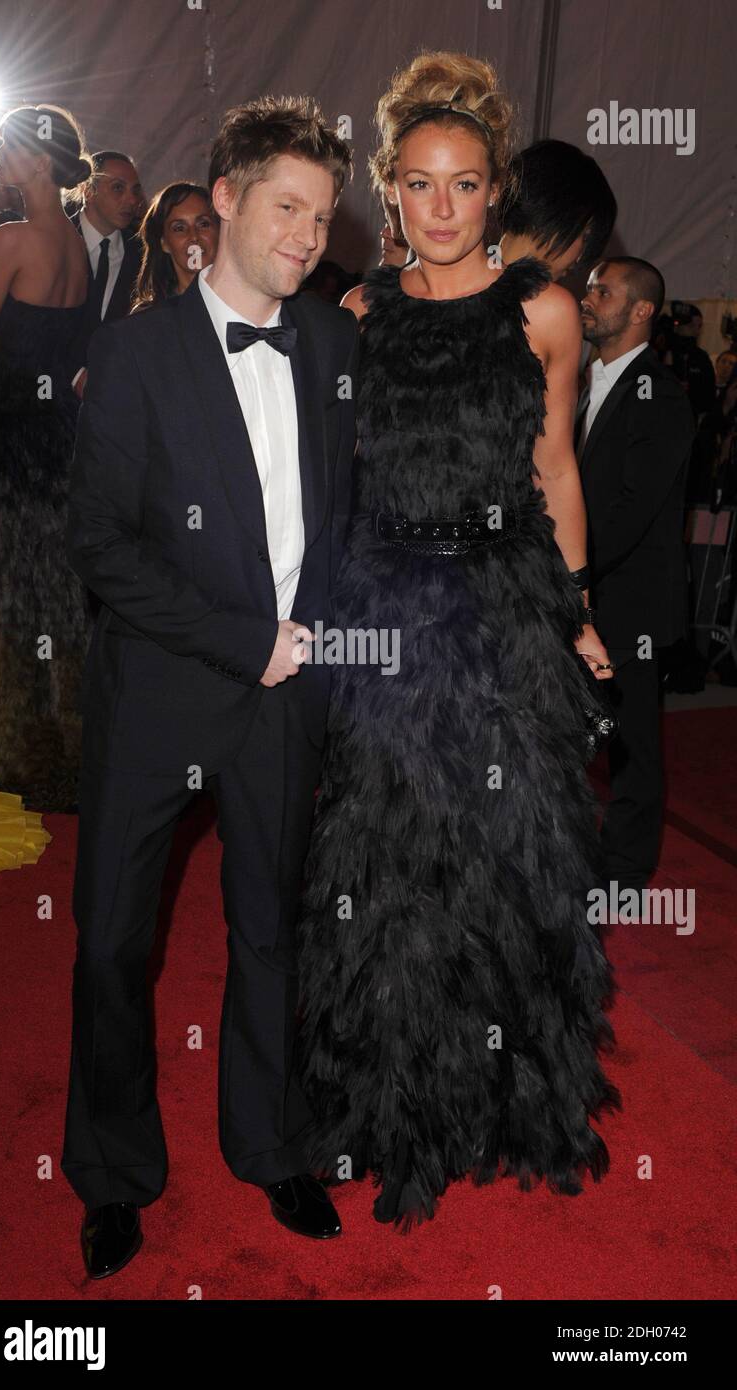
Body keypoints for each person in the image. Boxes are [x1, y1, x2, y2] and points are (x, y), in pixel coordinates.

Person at [294, 50, 621, 1232]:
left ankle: (501, 1093)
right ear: (388, 193)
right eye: (420, 186)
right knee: (385, 869)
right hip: (383, 613)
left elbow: (556, 469)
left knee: (506, 857)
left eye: (465, 184)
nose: (442, 207)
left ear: (495, 192)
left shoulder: (542, 308)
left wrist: (577, 611)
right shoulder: (358, 312)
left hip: (502, 610)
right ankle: (395, 1098)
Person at [61, 94, 358, 1278]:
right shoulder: (133, 354)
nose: (307, 234)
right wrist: (246, 638)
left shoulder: (333, 341)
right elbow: (101, 546)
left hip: (291, 699)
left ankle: (271, 1140)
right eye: (288, 206)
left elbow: (344, 517)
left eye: (326, 216)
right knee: (113, 944)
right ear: (225, 200)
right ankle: (115, 1169)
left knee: (273, 930)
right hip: (164, 689)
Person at [0, 105, 93, 860]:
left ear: (38, 163)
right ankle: (60, 743)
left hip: (3, 439)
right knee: (50, 594)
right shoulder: (76, 246)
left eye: (7, 154)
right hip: (55, 444)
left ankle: (10, 751)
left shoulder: (11, 240)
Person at [578, 257, 695, 890]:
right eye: (589, 285)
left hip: (629, 603)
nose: (587, 297)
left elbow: (631, 510)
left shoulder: (662, 393)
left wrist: (570, 572)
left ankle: (624, 872)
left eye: (603, 289)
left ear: (642, 310)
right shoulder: (580, 379)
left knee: (631, 744)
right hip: (581, 594)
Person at [67, 150, 144, 398]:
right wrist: (76, 374)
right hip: (45, 399)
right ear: (88, 191)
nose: (131, 200)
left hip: (115, 400)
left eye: (135, 190)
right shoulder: (56, 241)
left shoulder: (143, 254)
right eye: (118, 188)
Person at [498, 138, 617, 281]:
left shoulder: (469, 280)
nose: (579, 258)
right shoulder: (554, 302)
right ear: (554, 213)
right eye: (584, 237)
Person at [131, 181, 218, 310]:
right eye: (179, 228)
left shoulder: (245, 305)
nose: (194, 236)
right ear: (164, 242)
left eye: (203, 224)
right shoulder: (147, 317)